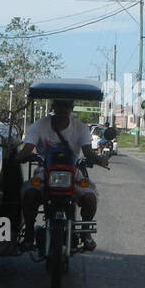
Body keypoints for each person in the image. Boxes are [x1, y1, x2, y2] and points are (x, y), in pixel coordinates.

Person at [16, 98, 108, 250]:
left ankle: (86, 234)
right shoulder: (39, 125)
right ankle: (29, 233)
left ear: (71, 108)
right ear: (53, 107)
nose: (62, 109)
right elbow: (27, 148)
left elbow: (87, 152)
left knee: (90, 198)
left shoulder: (80, 127)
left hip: (73, 171)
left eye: (66, 106)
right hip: (45, 170)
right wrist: (16, 157)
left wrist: (99, 159)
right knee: (29, 193)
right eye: (59, 105)